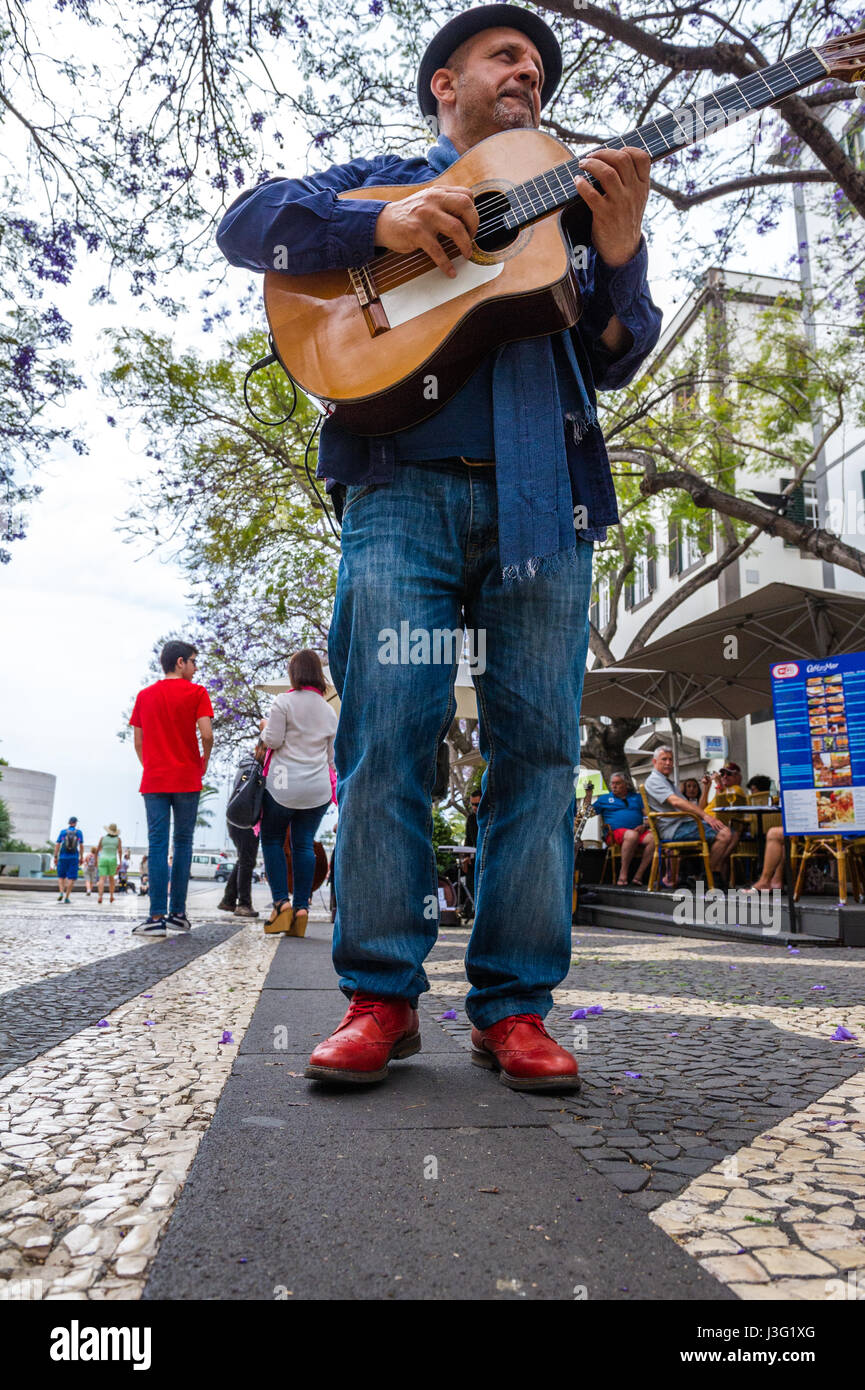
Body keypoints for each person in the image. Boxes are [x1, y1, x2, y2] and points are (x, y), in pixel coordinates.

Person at [218, 4, 661, 1090]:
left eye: (539, 66)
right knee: (386, 748)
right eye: (505, 56)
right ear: (443, 85)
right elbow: (247, 226)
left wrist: (622, 254)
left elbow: (613, 357)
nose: (529, 73)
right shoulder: (382, 178)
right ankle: (379, 998)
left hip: (545, 500)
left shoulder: (570, 200)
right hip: (398, 492)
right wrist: (386, 227)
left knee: (541, 756)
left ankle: (513, 1009)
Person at [129, 639, 214, 937]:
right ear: (180, 662)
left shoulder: (144, 696)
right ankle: (178, 913)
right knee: (183, 844)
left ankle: (155, 918)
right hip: (187, 778)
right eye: (193, 661)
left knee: (157, 845)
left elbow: (138, 742)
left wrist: (150, 765)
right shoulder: (198, 693)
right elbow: (206, 733)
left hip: (154, 780)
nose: (195, 667)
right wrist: (203, 761)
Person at [257, 649, 337, 937]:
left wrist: (265, 727)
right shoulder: (329, 712)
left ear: (294, 673)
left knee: (274, 839)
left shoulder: (283, 702)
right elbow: (330, 758)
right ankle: (302, 909)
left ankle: (281, 904)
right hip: (317, 790)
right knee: (304, 845)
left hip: (283, 786)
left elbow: (274, 740)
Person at [632, 748, 732, 888]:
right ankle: (710, 876)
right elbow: (676, 802)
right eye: (664, 759)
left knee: (726, 832)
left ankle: (707, 875)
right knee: (725, 834)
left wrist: (706, 797)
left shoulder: (666, 781)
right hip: (674, 829)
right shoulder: (654, 780)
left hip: (683, 824)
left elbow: (688, 805)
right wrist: (706, 816)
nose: (668, 763)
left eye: (670, 759)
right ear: (654, 762)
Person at [218, 746, 262, 919]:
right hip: (245, 819)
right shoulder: (254, 768)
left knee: (245, 859)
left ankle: (228, 900)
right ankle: (243, 904)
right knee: (246, 860)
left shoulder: (246, 765)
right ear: (258, 749)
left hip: (236, 818)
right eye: (266, 750)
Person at [591, 773, 650, 886]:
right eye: (612, 783)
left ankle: (638, 876)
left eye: (617, 783)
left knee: (653, 839)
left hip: (638, 831)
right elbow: (588, 813)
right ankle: (623, 874)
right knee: (632, 835)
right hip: (615, 834)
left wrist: (644, 825)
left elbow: (647, 816)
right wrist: (588, 796)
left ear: (625, 784)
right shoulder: (604, 799)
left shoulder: (637, 797)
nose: (614, 786)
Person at [53, 816, 83, 903]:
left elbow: (58, 844)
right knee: (71, 878)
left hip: (62, 857)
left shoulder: (63, 832)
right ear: (75, 823)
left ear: (69, 822)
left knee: (61, 877)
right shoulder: (79, 833)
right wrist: (81, 857)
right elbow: (81, 845)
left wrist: (55, 856)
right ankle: (67, 897)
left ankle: (61, 892)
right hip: (74, 858)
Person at [95, 824, 122, 904]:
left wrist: (96, 861)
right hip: (112, 859)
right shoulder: (118, 839)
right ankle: (111, 896)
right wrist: (120, 862)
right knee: (111, 879)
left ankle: (100, 896)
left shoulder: (102, 838)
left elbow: (97, 850)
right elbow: (120, 851)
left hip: (103, 859)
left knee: (101, 879)